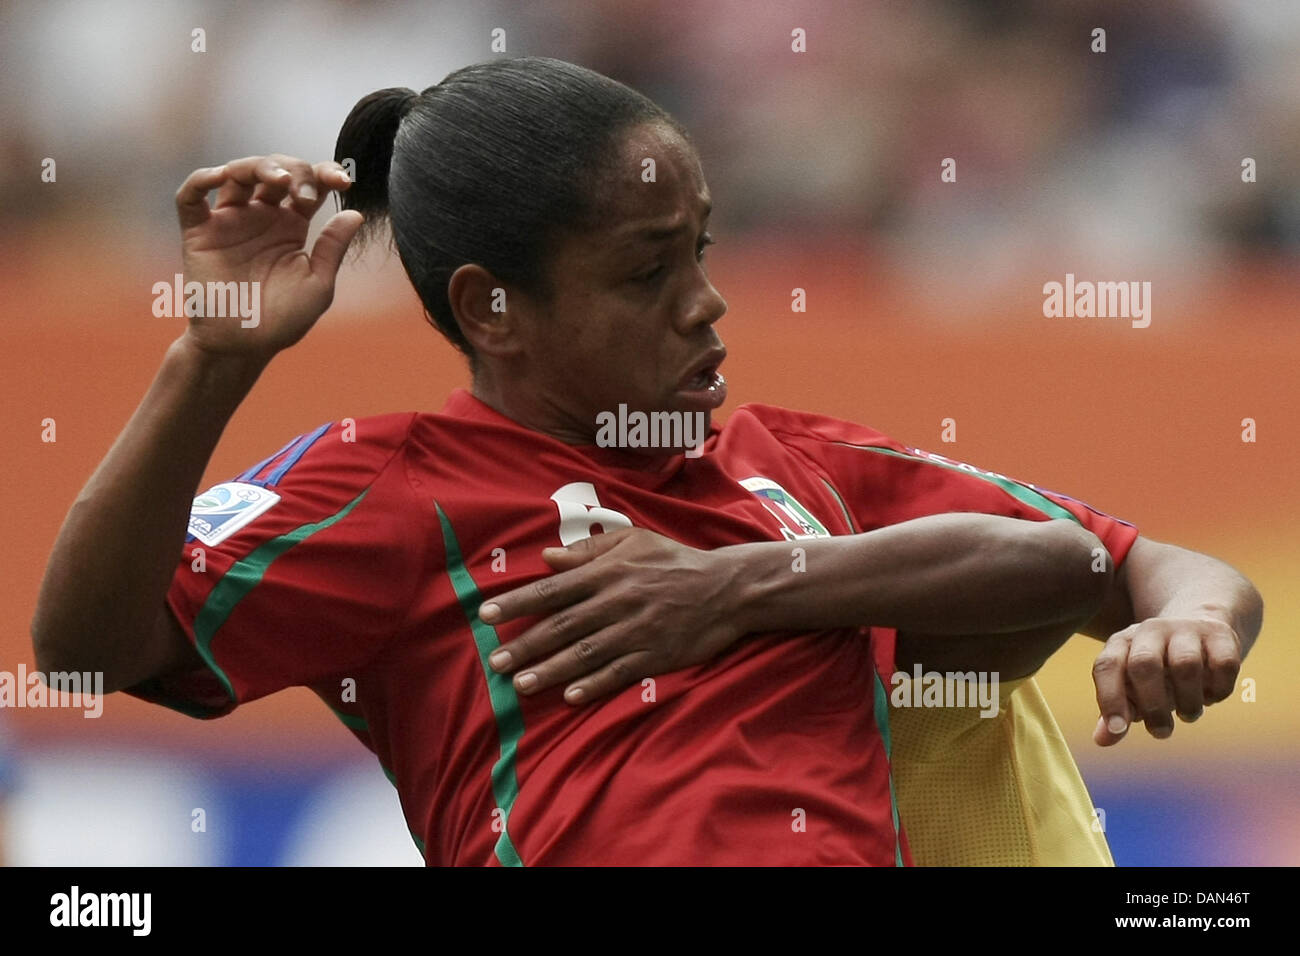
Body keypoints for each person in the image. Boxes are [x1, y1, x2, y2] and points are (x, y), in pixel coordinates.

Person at [32, 57, 1261, 866]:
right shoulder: (386, 487)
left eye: (703, 251)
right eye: (645, 272)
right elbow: (87, 650)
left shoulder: (789, 464)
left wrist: (731, 588)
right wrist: (212, 358)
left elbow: (1103, 564)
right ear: (492, 307)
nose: (706, 305)